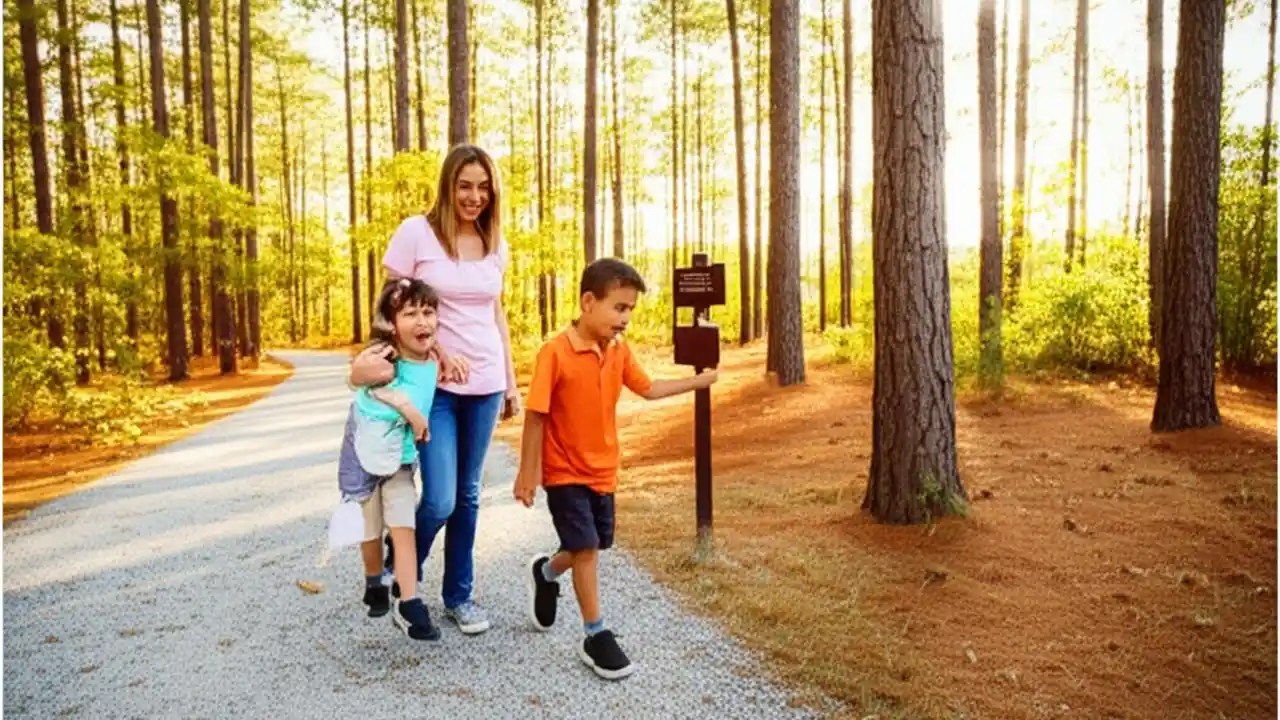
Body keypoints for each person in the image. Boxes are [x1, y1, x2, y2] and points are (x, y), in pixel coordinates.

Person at [513, 258, 718, 680]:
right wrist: (526, 473)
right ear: (589, 301)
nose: (625, 319)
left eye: (630, 311)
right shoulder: (555, 353)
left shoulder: (619, 350)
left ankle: (546, 571)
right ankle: (595, 635)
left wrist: (699, 382)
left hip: (603, 469)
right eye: (619, 308)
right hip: (564, 471)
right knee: (586, 548)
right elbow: (535, 415)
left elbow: (648, 388)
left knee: (593, 543)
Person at [349, 144, 518, 636]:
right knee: (440, 497)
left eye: (483, 187)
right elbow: (389, 309)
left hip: (484, 384)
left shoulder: (494, 242)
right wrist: (436, 350)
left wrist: (510, 381)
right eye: (465, 185)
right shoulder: (415, 234)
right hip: (432, 386)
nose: (474, 196)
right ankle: (407, 574)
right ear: (448, 185)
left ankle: (458, 596)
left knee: (468, 496)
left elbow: (496, 314)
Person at [338, 278, 442, 640]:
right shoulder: (385, 358)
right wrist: (407, 407)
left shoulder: (433, 358)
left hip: (400, 460)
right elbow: (358, 375)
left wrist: (451, 357)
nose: (422, 321)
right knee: (369, 530)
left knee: (403, 528)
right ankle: (373, 582)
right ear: (392, 322)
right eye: (410, 313)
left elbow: (431, 350)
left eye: (428, 312)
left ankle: (411, 601)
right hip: (364, 457)